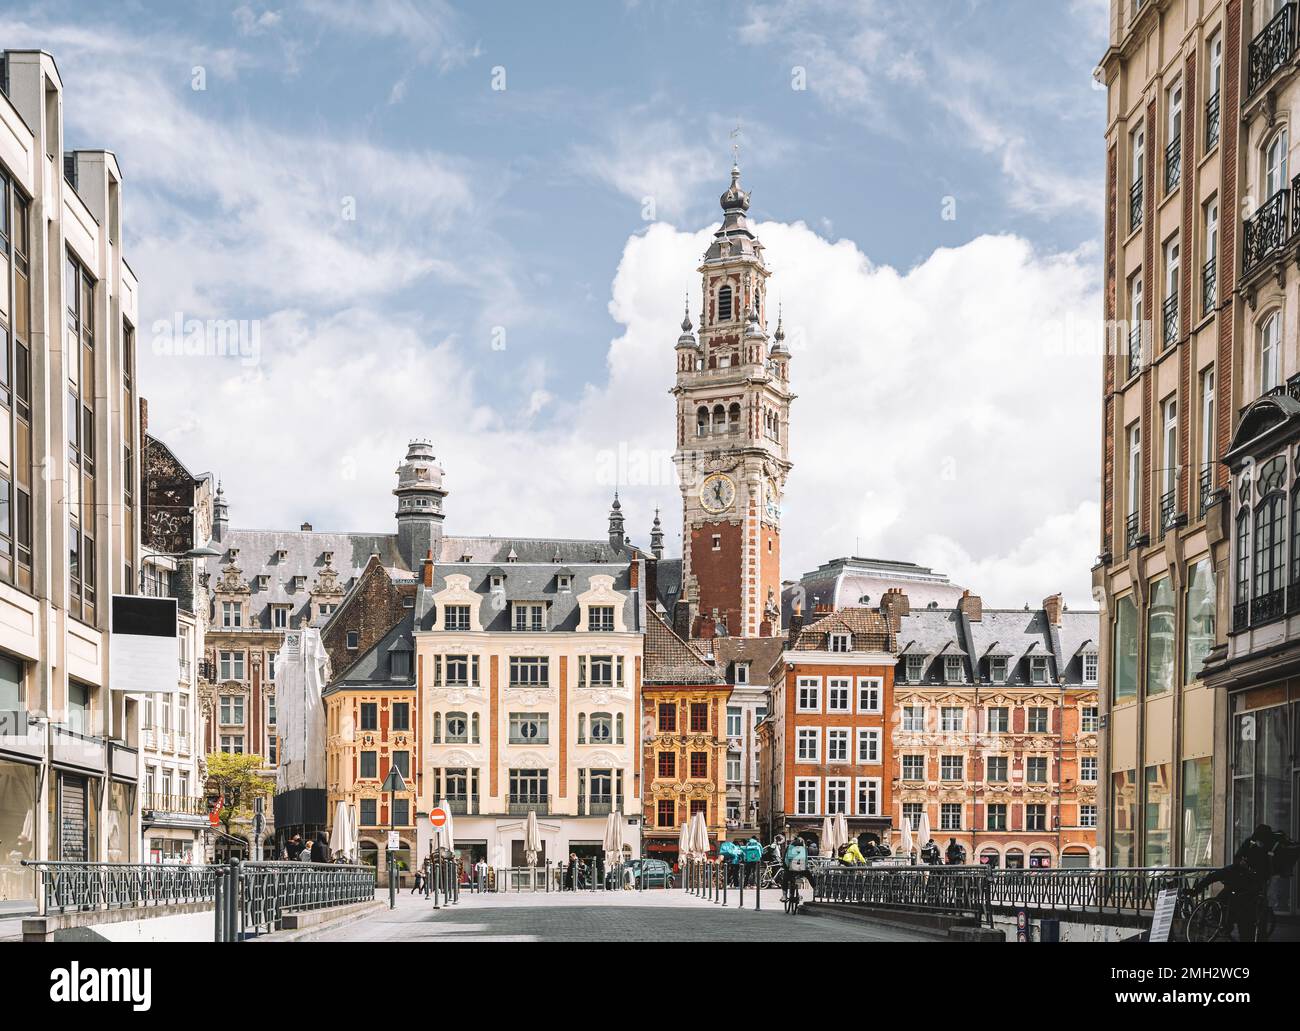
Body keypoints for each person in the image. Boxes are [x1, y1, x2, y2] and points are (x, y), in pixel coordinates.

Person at [1188, 823, 1300, 940]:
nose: (1257, 842)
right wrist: (1240, 862)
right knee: (1218, 885)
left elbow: (1268, 868)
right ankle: (1197, 893)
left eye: (1259, 840)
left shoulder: (1271, 847)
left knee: (1243, 915)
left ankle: (1227, 924)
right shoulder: (1250, 842)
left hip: (1250, 883)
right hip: (1240, 874)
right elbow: (1238, 856)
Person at [781, 835, 810, 902]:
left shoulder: (789, 847)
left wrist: (786, 867)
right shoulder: (804, 848)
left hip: (790, 869)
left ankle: (784, 896)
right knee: (794, 880)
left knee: (785, 880)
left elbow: (785, 859)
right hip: (800, 869)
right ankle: (795, 894)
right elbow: (806, 860)